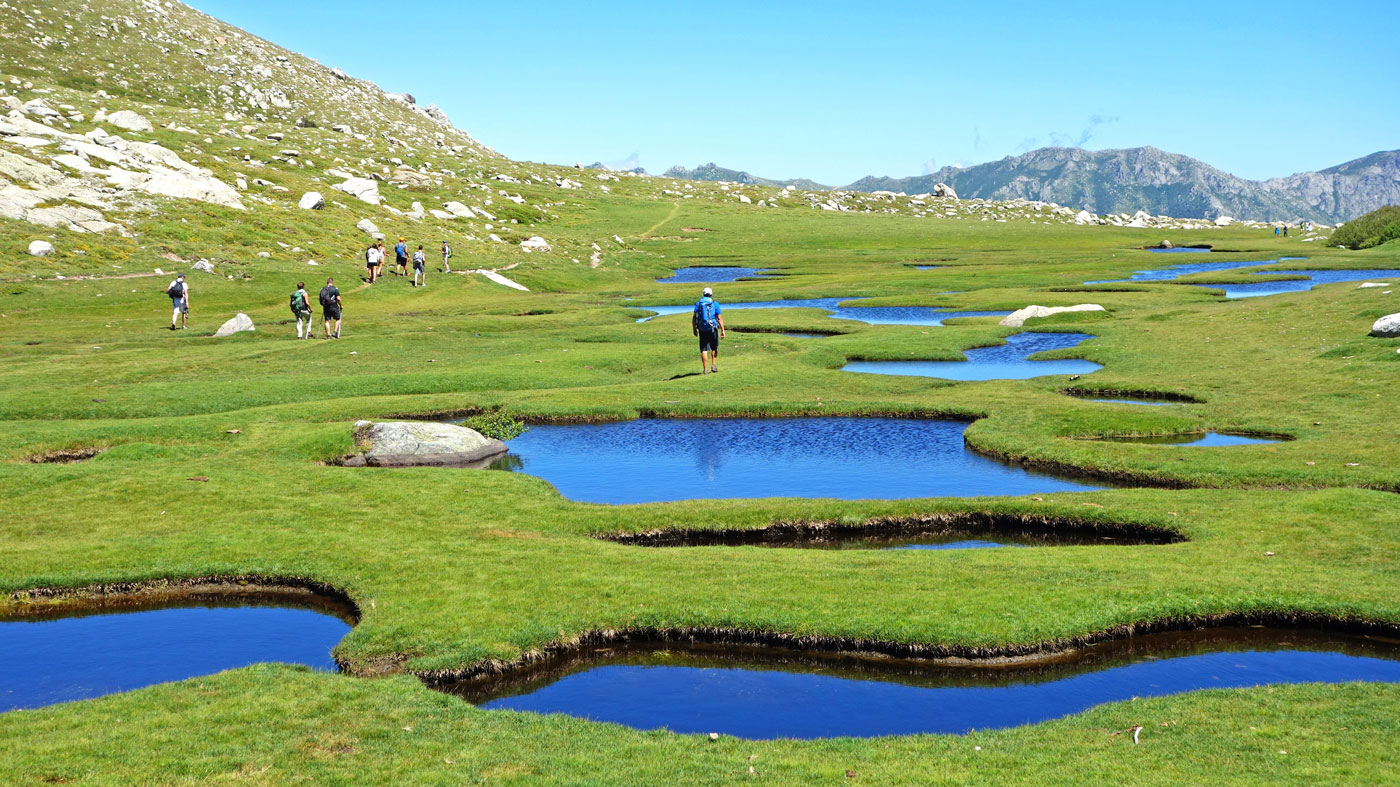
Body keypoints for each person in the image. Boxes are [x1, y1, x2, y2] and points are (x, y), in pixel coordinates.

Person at [692, 286, 726, 374]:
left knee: (704, 349)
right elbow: (719, 317)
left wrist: (694, 329)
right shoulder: (715, 304)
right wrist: (723, 330)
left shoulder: (698, 303)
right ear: (711, 294)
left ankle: (705, 369)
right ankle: (714, 365)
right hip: (713, 328)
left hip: (702, 329)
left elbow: (694, 317)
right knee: (714, 347)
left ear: (703, 294)